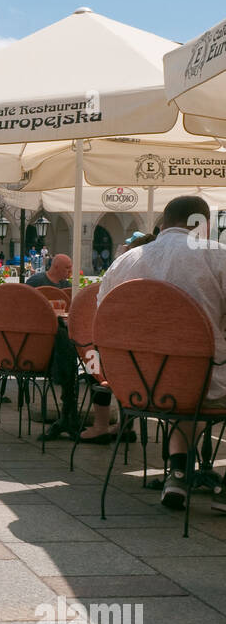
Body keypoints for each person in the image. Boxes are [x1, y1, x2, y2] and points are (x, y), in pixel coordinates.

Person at [96, 196, 226, 512]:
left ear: (162, 223)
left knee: (182, 380)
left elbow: (102, 318)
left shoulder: (125, 262)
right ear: (203, 224)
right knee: (192, 378)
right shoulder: (218, 256)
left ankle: (178, 474)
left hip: (137, 384)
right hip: (201, 380)